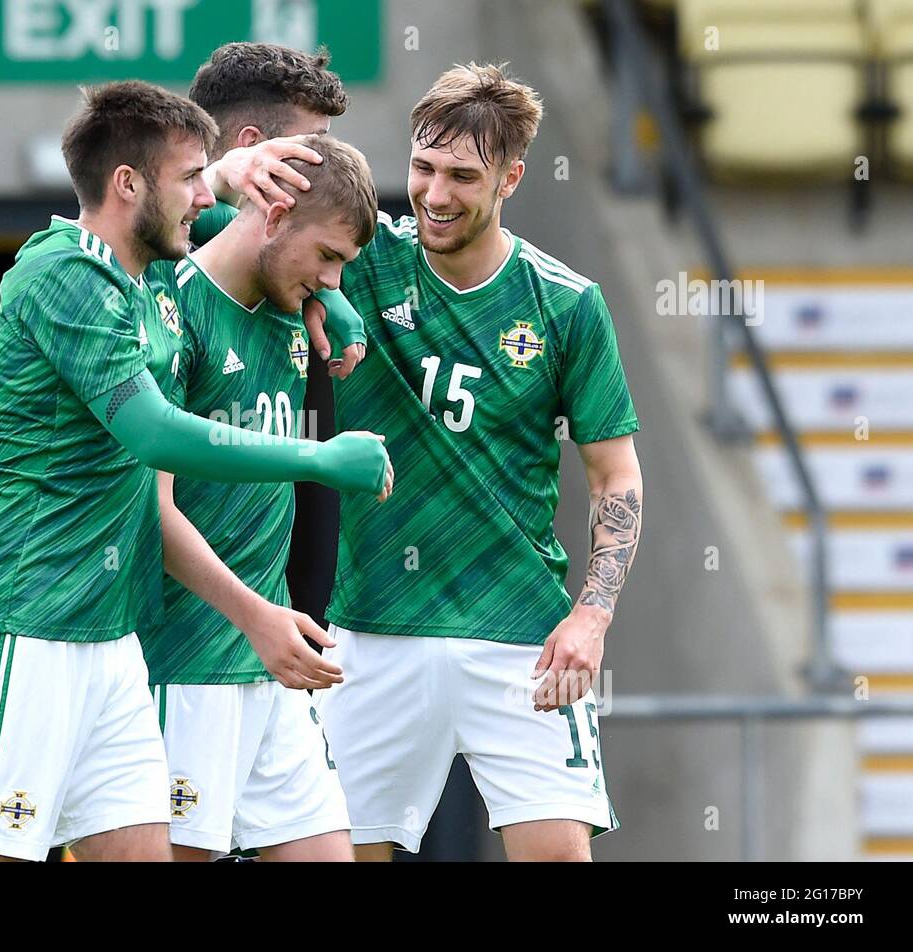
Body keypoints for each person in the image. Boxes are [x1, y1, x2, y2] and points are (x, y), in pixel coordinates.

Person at [0, 81, 392, 863]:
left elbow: (250, 233)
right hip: (24, 624)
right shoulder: (63, 272)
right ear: (128, 185)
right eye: (191, 179)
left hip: (112, 637)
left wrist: (329, 292)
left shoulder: (153, 276)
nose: (208, 193)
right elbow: (155, 433)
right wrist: (318, 457)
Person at [306, 63, 644, 862]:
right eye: (423, 169)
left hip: (519, 636)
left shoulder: (567, 305)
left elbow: (615, 475)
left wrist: (591, 616)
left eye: (464, 176)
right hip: (372, 628)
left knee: (559, 856)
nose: (436, 193)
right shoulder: (366, 260)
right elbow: (224, 226)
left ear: (511, 178)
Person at [142, 133, 378, 861]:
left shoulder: (291, 308)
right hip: (184, 661)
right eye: (329, 258)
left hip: (267, 663)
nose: (334, 284)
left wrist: (329, 304)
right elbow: (151, 513)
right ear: (274, 217)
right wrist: (256, 618)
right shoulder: (170, 312)